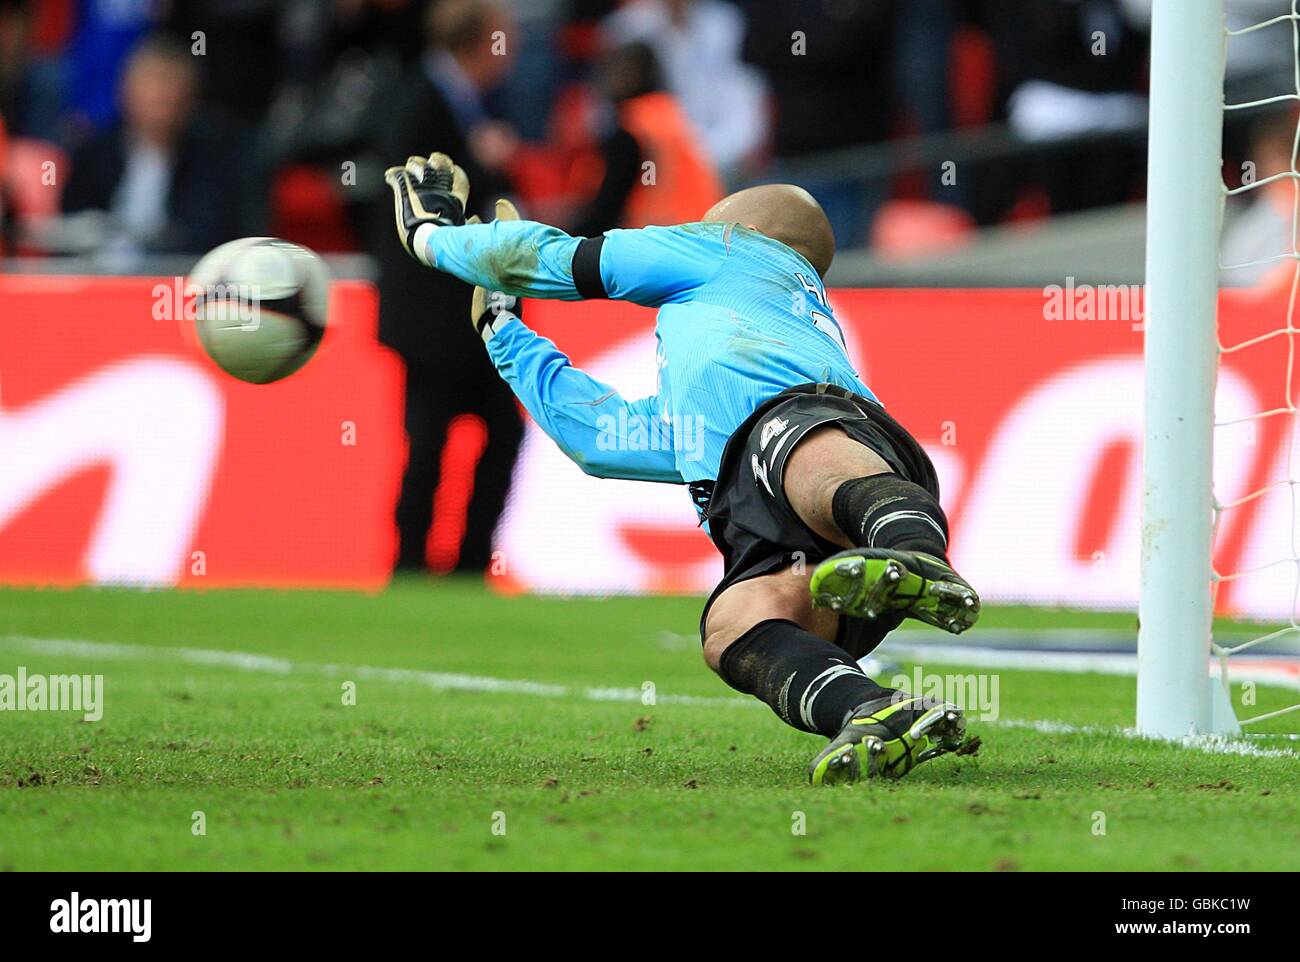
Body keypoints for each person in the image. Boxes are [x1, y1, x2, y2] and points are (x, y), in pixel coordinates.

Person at [384, 151, 981, 784]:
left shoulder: (729, 249)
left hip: (815, 431)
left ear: (743, 229)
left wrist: (436, 238)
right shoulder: (708, 399)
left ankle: (917, 559)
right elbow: (596, 437)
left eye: (710, 220)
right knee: (731, 625)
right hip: (763, 503)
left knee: (798, 459)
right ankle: (874, 709)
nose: (697, 227)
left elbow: (557, 260)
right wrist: (505, 331)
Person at [368, 0, 523, 574]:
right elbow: (414, 198)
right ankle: (417, 563)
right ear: (482, 39)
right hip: (433, 313)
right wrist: (482, 164)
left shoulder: (455, 98)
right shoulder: (420, 100)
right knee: (434, 441)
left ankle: (459, 562)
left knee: (491, 434)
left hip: (462, 311)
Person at [61, 35, 240, 262]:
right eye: (151, 83)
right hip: (97, 279)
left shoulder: (212, 161)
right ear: (125, 91)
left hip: (177, 282)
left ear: (190, 97)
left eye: (168, 84)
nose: (159, 96)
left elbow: (209, 235)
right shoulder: (93, 155)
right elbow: (67, 233)